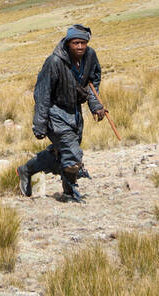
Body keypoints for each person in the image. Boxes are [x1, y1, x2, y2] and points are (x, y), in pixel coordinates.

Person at [18, 24, 107, 203]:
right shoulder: (54, 61)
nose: (80, 47)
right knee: (72, 155)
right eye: (76, 43)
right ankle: (69, 194)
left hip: (74, 112)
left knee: (62, 154)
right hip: (55, 112)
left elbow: (92, 80)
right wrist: (40, 123)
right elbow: (42, 93)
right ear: (68, 43)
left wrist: (95, 105)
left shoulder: (90, 56)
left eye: (83, 43)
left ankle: (27, 169)